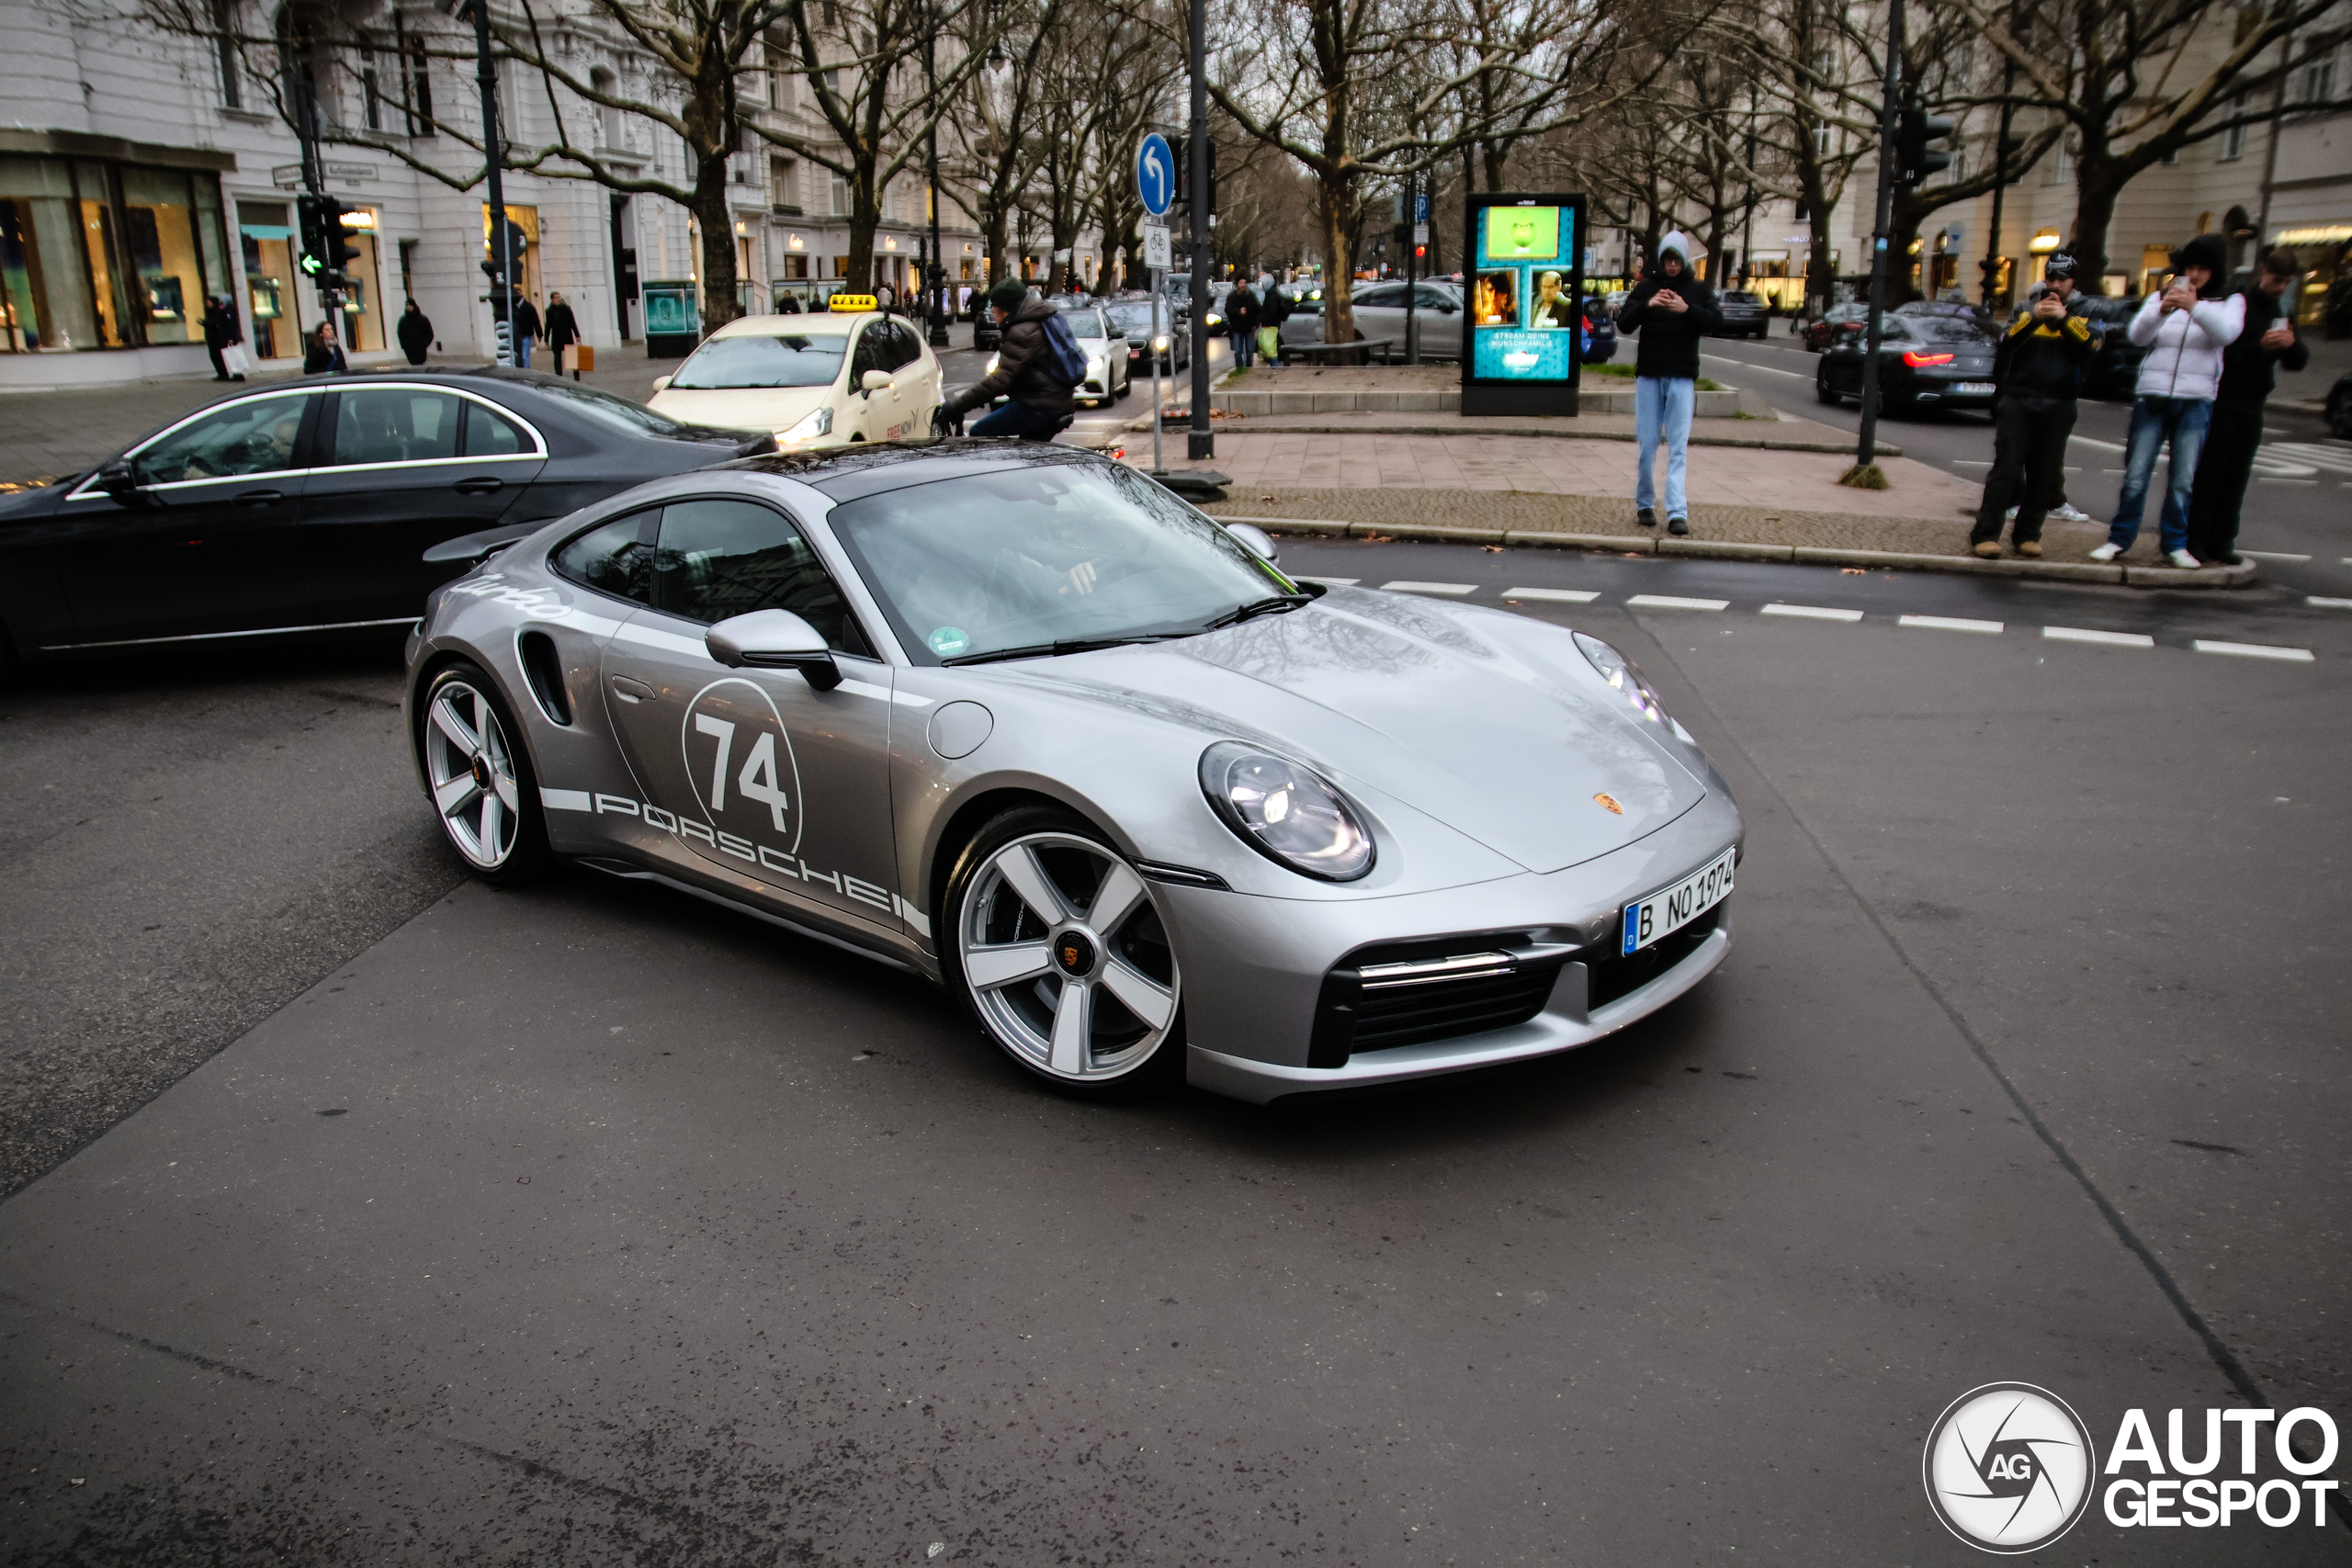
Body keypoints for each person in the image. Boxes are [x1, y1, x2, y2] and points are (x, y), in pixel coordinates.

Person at [2090, 233, 2244, 567]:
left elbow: (2227, 334)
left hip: (2195, 399)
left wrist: (2195, 307)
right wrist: (2161, 310)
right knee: (2136, 473)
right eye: (2191, 267)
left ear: (2215, 271)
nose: (2195, 275)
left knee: (2182, 479)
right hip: (2153, 395)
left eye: (2203, 268)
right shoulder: (2162, 295)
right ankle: (2119, 539)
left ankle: (2174, 543)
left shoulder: (2229, 300)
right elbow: (2137, 335)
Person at [2186, 248, 2309, 565]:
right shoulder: (2240, 304)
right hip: (2224, 401)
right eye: (2276, 280)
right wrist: (2260, 347)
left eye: (2287, 282)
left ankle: (2223, 541)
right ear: (2263, 273)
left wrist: (2291, 345)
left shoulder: (2282, 310)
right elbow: (2224, 355)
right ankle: (2196, 539)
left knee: (2236, 477)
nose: (2280, 287)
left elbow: (2297, 362)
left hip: (2253, 405)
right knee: (2210, 475)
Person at [1969, 257, 2097, 558]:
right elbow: (2005, 342)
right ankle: (1985, 535)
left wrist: (2064, 320)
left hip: (2060, 400)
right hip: (2020, 397)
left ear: (2073, 282)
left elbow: (2091, 346)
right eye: (2051, 279)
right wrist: (2034, 318)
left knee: (2044, 473)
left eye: (2062, 280)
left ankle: (2027, 535)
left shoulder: (2088, 310)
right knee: (2007, 467)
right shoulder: (2026, 308)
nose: (2056, 285)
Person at [1613, 230, 1721, 536]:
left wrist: (1688, 310)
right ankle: (1645, 503)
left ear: (1684, 260)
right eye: (1667, 260)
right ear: (1660, 260)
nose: (1672, 265)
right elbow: (1624, 323)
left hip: (1682, 376)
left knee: (1678, 447)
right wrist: (1648, 305)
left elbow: (1716, 321)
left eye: (1677, 260)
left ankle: (1677, 512)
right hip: (1649, 374)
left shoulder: (1697, 290)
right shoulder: (1647, 287)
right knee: (1647, 443)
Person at [936, 276, 1079, 440]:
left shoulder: (1022, 332)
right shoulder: (1039, 319)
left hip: (1039, 404)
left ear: (1006, 309)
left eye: (995, 308)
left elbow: (999, 381)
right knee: (1026, 451)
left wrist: (957, 406)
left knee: (979, 432)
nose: (993, 313)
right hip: (1053, 400)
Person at [202, 294, 244, 381]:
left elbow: (229, 324)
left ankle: (236, 374)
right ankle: (232, 374)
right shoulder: (220, 310)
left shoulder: (226, 310)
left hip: (223, 337)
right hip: (221, 337)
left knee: (229, 355)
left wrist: (231, 337)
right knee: (225, 355)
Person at [543, 289, 581, 378]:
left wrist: (577, 335)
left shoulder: (566, 309)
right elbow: (548, 325)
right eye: (556, 298)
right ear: (552, 300)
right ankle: (558, 374)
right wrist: (546, 339)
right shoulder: (549, 311)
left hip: (567, 335)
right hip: (556, 337)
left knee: (571, 356)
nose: (558, 299)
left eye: (559, 297)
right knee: (557, 357)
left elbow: (572, 322)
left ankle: (576, 375)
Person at [1226, 278, 1260, 368]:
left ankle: (1249, 369)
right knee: (1238, 352)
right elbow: (1228, 309)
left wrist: (1256, 324)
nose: (1243, 285)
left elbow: (1258, 310)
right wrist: (1238, 311)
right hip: (1237, 328)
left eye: (1245, 283)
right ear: (1237, 284)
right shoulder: (1232, 296)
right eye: (1241, 283)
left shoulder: (1251, 295)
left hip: (1250, 328)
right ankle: (1240, 369)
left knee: (1250, 352)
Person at [1258, 280, 1292, 366]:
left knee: (1269, 346)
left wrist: (1265, 320)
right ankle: (1276, 363)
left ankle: (1275, 364)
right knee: (1272, 344)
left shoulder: (1272, 296)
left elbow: (1271, 310)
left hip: (1270, 325)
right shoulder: (1273, 294)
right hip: (1273, 324)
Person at [396, 298, 434, 367]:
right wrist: (404, 345)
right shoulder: (403, 320)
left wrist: (424, 344)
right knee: (413, 363)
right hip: (409, 348)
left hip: (420, 348)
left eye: (410, 305)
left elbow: (429, 333)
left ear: (414, 306)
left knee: (420, 364)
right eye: (407, 305)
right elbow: (400, 333)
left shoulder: (423, 319)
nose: (408, 307)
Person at [510, 292, 542, 368]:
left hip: (526, 335)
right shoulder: (512, 306)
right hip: (516, 335)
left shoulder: (529, 307)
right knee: (518, 355)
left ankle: (526, 371)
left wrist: (539, 334)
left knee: (525, 356)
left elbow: (535, 321)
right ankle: (524, 369)